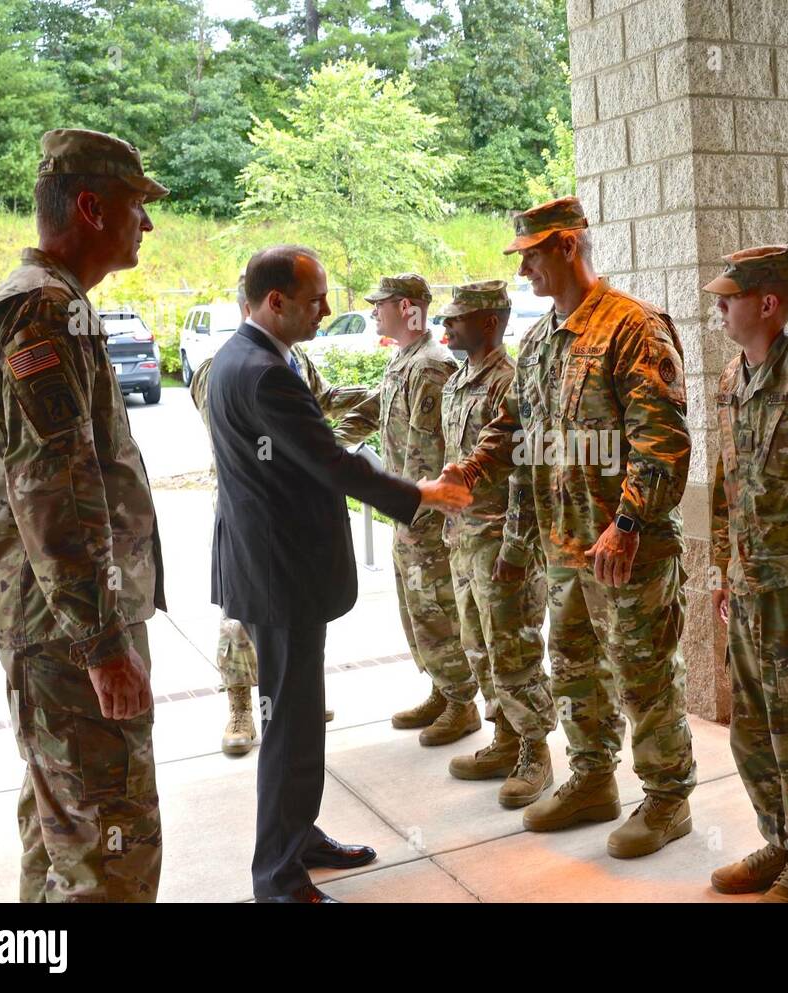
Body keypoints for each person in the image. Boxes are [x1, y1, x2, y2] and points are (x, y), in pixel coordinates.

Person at [207, 245, 469, 903]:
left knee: (296, 720)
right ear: (275, 302)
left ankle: (301, 838)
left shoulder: (247, 358)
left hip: (269, 568)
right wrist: (423, 494)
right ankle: (279, 877)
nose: (328, 306)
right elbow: (330, 463)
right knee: (291, 725)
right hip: (280, 574)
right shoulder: (264, 372)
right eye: (316, 296)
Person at [447, 196, 697, 859]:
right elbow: (516, 433)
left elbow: (662, 440)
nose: (523, 267)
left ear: (567, 246)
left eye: (530, 253)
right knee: (575, 669)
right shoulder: (539, 344)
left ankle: (669, 799)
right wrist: (470, 472)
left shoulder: (633, 328)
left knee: (643, 677)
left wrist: (628, 522)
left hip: (626, 550)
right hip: (565, 549)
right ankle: (593, 779)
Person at [0, 128, 167, 901]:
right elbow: (54, 493)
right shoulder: (43, 313)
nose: (147, 224)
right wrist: (103, 643)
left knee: (61, 839)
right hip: (68, 635)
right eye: (136, 206)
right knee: (110, 854)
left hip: (57, 632)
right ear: (91, 208)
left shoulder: (54, 306)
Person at [703, 247, 788, 903]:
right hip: (750, 587)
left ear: (769, 302)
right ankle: (780, 839)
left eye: (730, 297)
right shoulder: (731, 377)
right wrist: (722, 570)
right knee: (753, 727)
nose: (720, 308)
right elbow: (725, 486)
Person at [190, 277, 354, 753]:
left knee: (294, 619)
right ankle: (242, 706)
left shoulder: (296, 360)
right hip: (251, 513)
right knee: (240, 621)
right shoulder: (223, 366)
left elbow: (321, 409)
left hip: (290, 518)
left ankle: (292, 692)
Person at [335, 274, 482, 746]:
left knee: (436, 609)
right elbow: (371, 413)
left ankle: (462, 701)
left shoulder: (431, 366)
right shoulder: (404, 361)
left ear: (405, 307)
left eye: (380, 304)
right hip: (407, 510)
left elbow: (428, 451)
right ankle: (442, 688)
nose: (374, 311)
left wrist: (417, 512)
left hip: (427, 516)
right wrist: (325, 450)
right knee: (417, 610)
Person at [438, 280, 557, 808]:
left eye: (455, 319)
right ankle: (505, 739)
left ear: (488, 322)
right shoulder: (458, 381)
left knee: (515, 652)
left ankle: (536, 750)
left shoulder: (511, 384)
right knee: (479, 648)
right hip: (463, 539)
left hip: (501, 543)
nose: (445, 328)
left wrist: (516, 546)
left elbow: (529, 472)